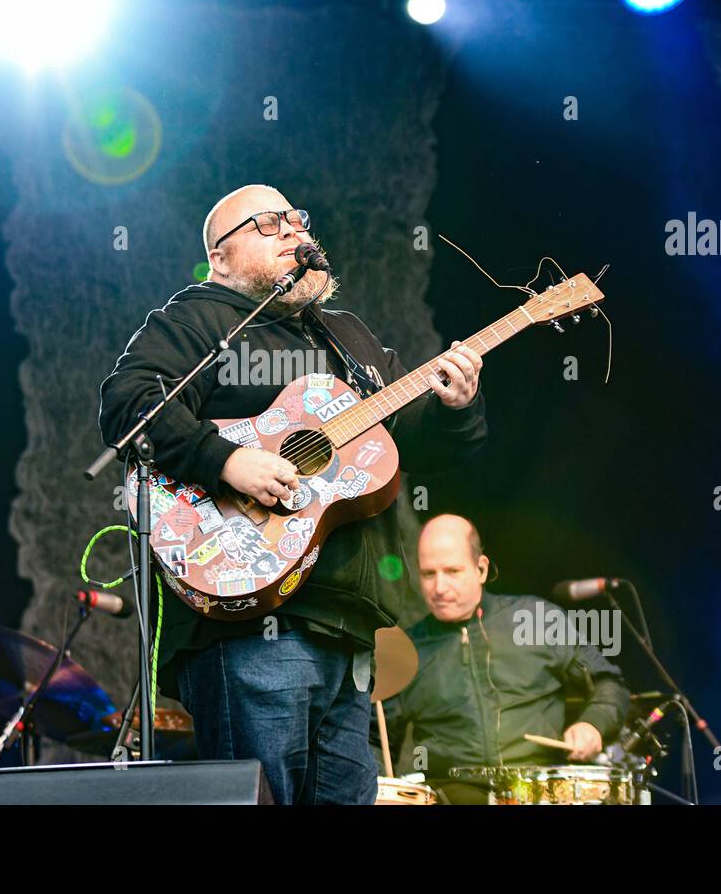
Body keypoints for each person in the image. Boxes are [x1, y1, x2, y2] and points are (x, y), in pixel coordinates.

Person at [98, 184, 489, 804]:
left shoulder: (348, 339)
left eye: (297, 221)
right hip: (249, 623)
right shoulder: (199, 319)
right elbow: (131, 404)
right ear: (220, 258)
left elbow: (405, 450)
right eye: (267, 224)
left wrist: (454, 409)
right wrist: (227, 462)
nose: (293, 232)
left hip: (348, 629)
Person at [372, 514, 631, 804]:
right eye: (428, 574)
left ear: (481, 569)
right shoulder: (408, 649)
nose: (439, 588)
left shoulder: (536, 620)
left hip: (541, 789)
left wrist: (593, 724)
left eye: (452, 571)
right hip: (451, 793)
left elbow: (609, 683)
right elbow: (376, 741)